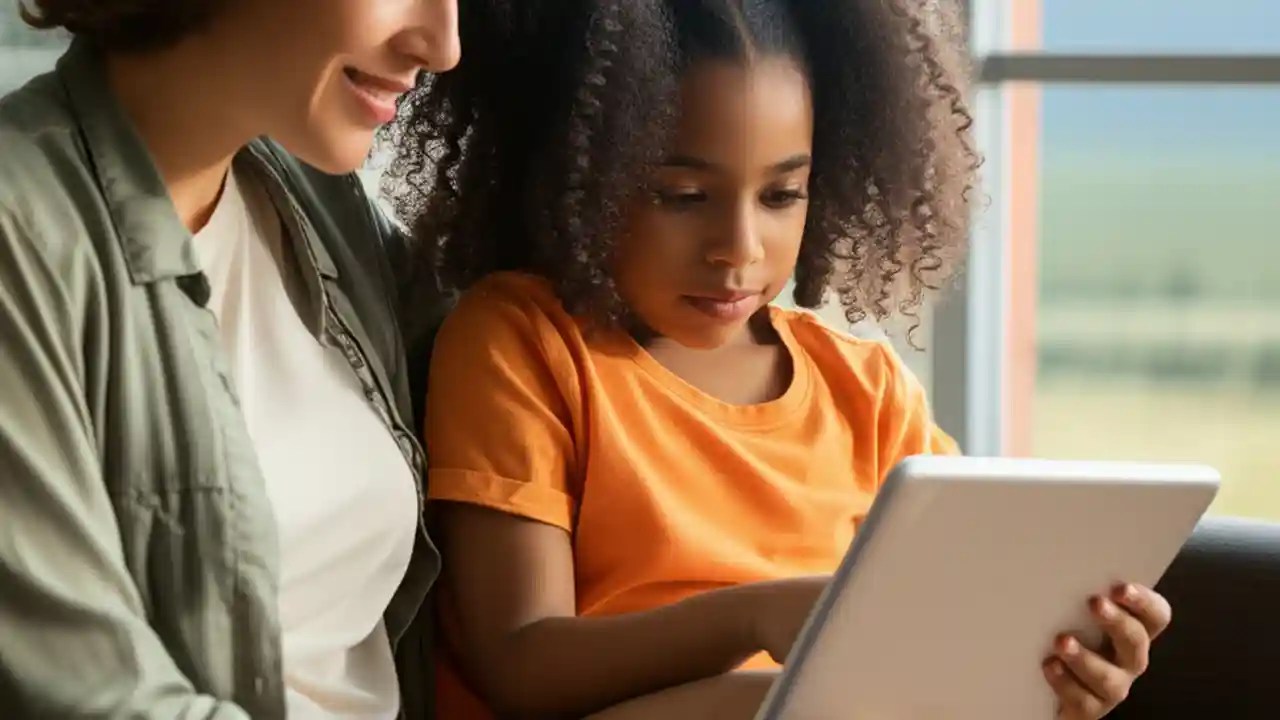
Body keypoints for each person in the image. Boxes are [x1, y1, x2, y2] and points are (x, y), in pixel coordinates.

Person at [388, 1, 1174, 718]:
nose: (739, 248)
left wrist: (1055, 670)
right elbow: (520, 665)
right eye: (682, 196)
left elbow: (941, 642)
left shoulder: (866, 391)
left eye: (780, 197)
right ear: (577, 176)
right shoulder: (520, 343)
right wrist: (759, 613)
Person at [0, 1, 458, 718]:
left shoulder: (316, 202)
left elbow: (527, 397)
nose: (443, 45)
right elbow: (87, 699)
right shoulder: (21, 235)